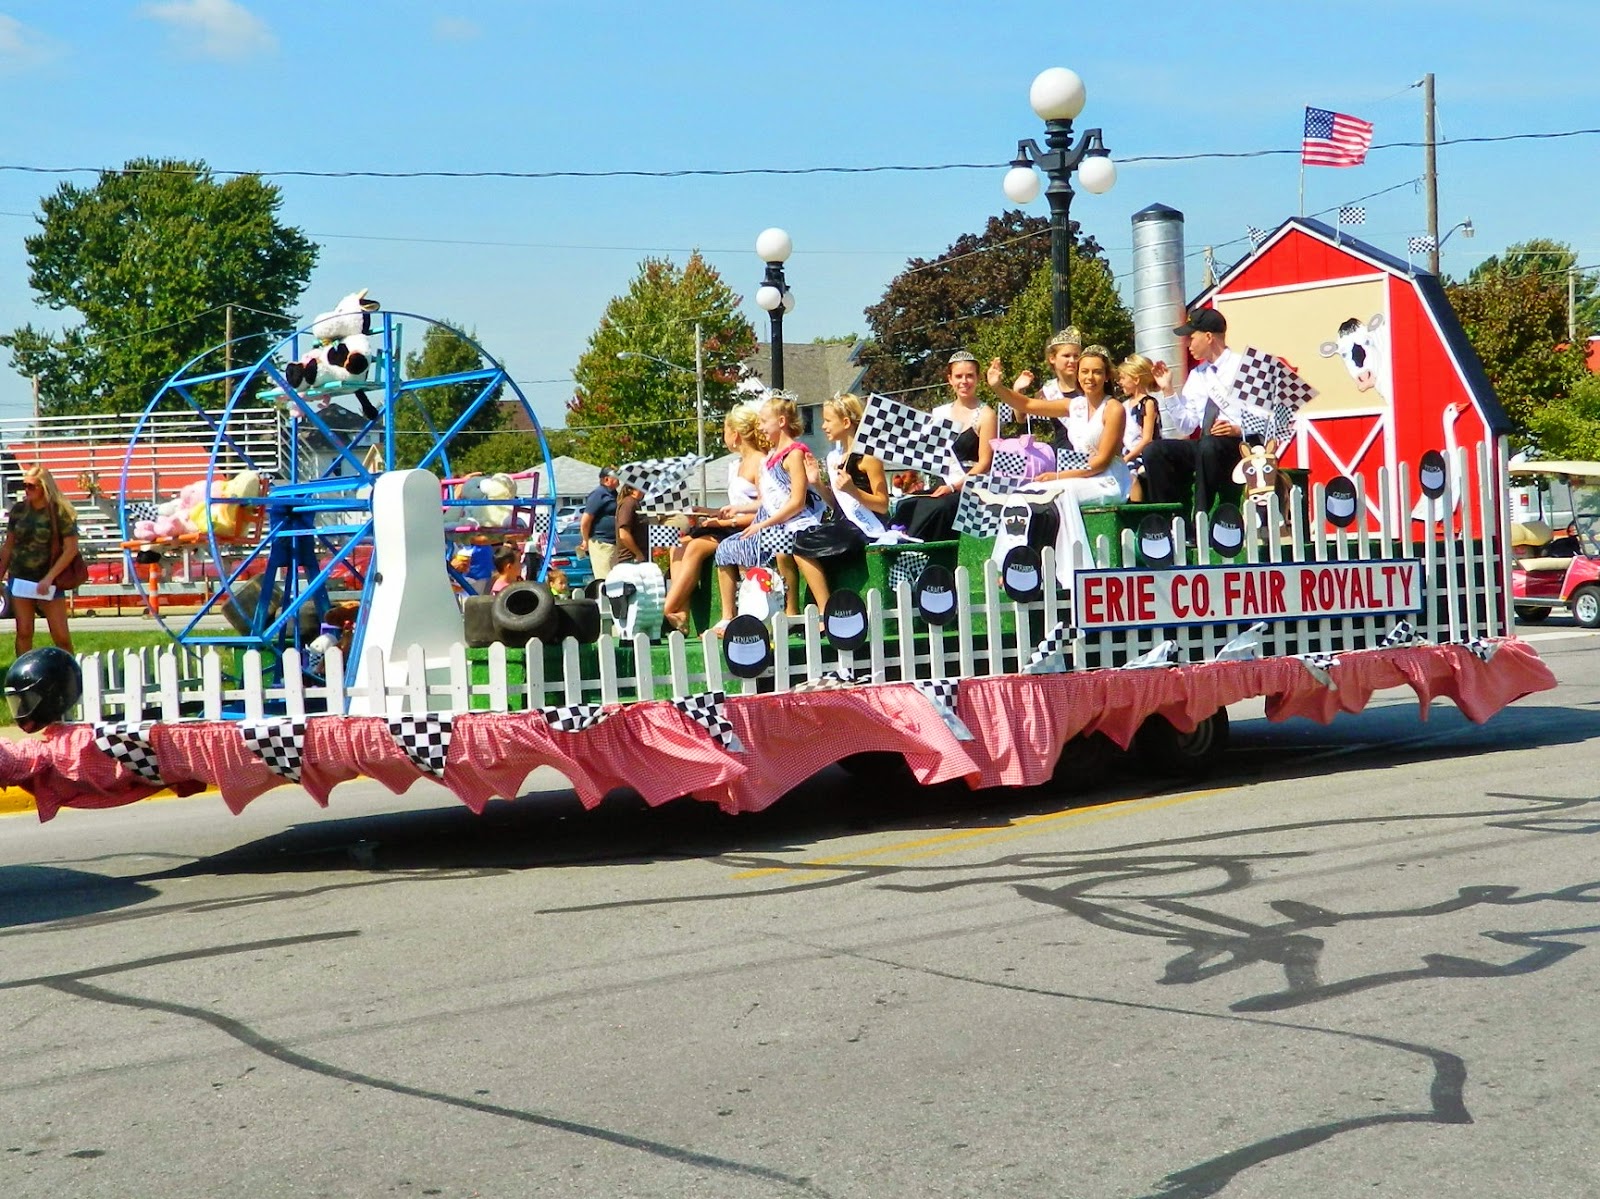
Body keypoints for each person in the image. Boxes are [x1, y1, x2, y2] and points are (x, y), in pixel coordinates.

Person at [987, 345, 1130, 589]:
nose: (1089, 378)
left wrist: (1056, 475)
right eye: (1084, 372)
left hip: (1108, 481)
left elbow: (1101, 462)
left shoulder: (1114, 408)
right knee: (1026, 491)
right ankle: (1012, 561)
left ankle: (1070, 572)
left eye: (1096, 372)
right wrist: (998, 388)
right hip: (1079, 476)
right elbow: (1028, 405)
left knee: (1060, 491)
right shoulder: (1073, 405)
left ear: (1107, 376)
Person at [715, 391, 827, 625]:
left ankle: (813, 610)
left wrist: (762, 524)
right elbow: (766, 500)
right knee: (731, 547)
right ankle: (749, 610)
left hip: (797, 520)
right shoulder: (771, 457)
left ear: (782, 422)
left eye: (765, 421)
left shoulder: (795, 453)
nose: (761, 427)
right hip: (775, 519)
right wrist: (739, 508)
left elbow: (797, 500)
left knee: (788, 548)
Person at [662, 404, 765, 635]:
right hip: (727, 526)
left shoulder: (760, 462)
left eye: (724, 431)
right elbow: (735, 505)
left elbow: (764, 508)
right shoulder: (736, 464)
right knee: (678, 545)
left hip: (744, 528)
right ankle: (681, 614)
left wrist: (721, 523)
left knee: (695, 547)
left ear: (735, 434)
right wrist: (707, 511)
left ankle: (666, 609)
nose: (723, 437)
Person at [1142, 308, 1248, 514]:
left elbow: (1267, 418)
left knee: (1208, 446)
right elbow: (1187, 424)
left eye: (1191, 338)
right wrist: (1168, 389)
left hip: (1238, 445)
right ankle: (1168, 518)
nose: (1188, 344)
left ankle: (1199, 517)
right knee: (1154, 450)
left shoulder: (1244, 366)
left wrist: (1236, 429)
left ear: (1208, 337)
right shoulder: (1197, 374)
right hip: (1206, 445)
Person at [890, 350, 996, 540]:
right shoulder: (940, 413)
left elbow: (985, 463)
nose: (964, 381)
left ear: (978, 378)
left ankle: (931, 556)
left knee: (938, 508)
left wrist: (954, 487)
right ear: (950, 379)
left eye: (970, 376)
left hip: (969, 488)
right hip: (943, 484)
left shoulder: (986, 415)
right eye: (959, 376)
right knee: (906, 505)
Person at [0, 466, 79, 655]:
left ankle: (69, 673)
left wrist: (49, 578)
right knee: (24, 632)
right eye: (24, 485)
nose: (27, 490)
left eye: (31, 486)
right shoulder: (19, 511)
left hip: (50, 579)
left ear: (45, 487)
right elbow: (8, 546)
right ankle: (23, 674)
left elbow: (71, 549)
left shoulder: (60, 512)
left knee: (61, 636)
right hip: (20, 578)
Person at [812, 393, 889, 539]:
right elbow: (837, 505)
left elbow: (883, 505)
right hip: (842, 525)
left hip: (866, 529)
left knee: (805, 545)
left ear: (846, 422)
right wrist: (817, 483)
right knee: (800, 543)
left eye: (828, 421)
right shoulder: (834, 458)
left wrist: (853, 491)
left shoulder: (869, 457)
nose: (823, 426)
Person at [1118, 353, 1163, 502]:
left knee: (1131, 473)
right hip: (1126, 452)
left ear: (1136, 379)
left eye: (1123, 378)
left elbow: (1147, 438)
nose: (1120, 382)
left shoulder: (1147, 403)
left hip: (1143, 454)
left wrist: (1127, 458)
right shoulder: (1123, 405)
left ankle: (1136, 507)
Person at [578, 466, 620, 580]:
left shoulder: (614, 494)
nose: (619, 480)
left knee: (615, 578)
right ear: (606, 479)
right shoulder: (599, 494)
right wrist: (585, 540)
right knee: (605, 578)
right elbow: (586, 521)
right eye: (616, 477)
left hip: (614, 543)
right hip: (602, 543)